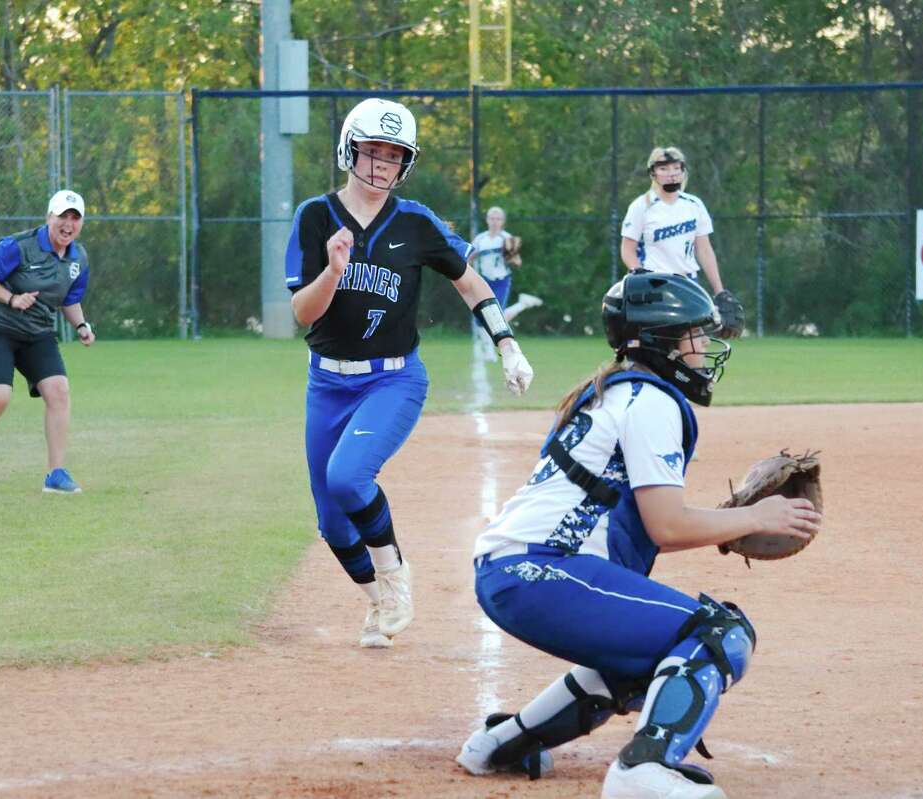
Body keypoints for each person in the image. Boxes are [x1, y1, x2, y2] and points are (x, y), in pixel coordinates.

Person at [455, 272, 821, 798]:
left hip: (513, 572)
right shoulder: (652, 402)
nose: (704, 348)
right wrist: (756, 517)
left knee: (645, 660)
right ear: (661, 340)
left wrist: (733, 520)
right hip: (542, 573)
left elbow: (650, 520)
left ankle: (500, 744)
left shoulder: (614, 393)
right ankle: (642, 770)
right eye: (694, 335)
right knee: (721, 635)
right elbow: (666, 526)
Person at [285, 98, 535, 649]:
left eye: (393, 155)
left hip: (391, 379)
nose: (381, 164)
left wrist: (507, 344)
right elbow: (302, 312)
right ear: (350, 149)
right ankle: (378, 603)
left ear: (406, 163)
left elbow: (470, 282)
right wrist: (332, 271)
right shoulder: (315, 216)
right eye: (372, 151)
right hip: (327, 381)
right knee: (331, 522)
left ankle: (395, 575)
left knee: (348, 477)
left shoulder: (417, 221)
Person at [0, 189, 96, 494]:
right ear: (49, 217)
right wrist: (11, 298)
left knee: (59, 390)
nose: (67, 224)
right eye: (62, 217)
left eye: (74, 218)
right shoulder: (19, 246)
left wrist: (80, 324)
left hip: (37, 333)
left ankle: (55, 473)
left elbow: (69, 298)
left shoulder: (78, 257)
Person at [620, 147, 743, 337]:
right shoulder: (641, 206)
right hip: (655, 284)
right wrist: (640, 277)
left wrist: (719, 291)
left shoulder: (693, 204)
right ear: (653, 172)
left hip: (688, 283)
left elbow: (704, 250)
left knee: (695, 343)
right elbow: (628, 249)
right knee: (658, 345)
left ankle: (693, 368)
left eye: (676, 168)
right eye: (664, 169)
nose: (672, 174)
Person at [468, 206, 543, 360]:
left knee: (497, 315)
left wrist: (512, 255)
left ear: (503, 221)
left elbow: (517, 262)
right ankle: (522, 304)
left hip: (501, 280)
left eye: (498, 218)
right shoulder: (480, 239)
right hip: (483, 280)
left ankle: (522, 305)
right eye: (492, 218)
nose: (495, 221)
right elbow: (468, 258)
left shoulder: (506, 238)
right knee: (480, 316)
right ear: (487, 220)